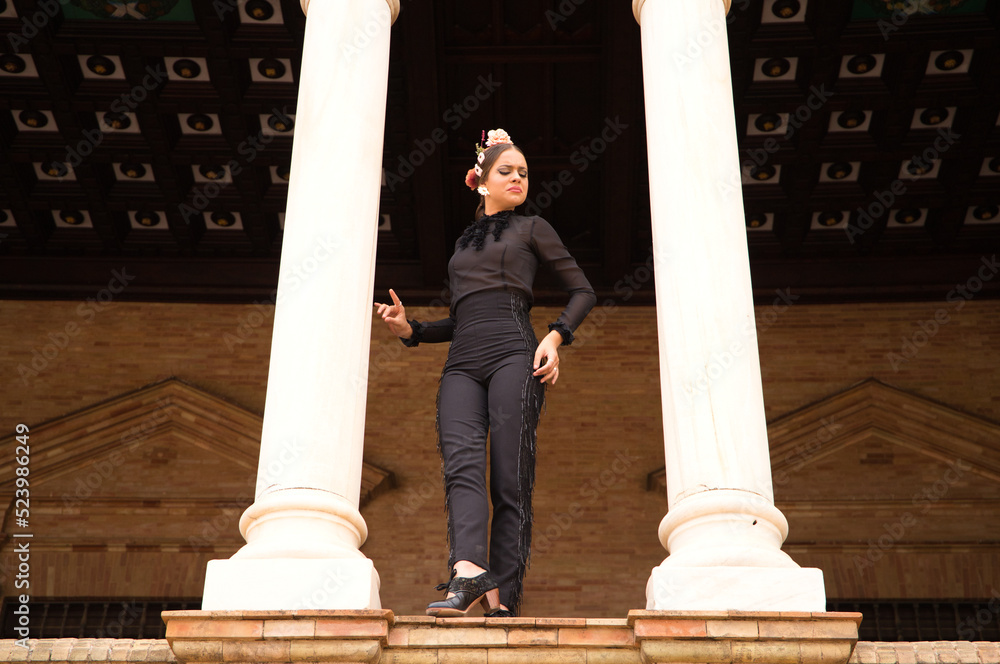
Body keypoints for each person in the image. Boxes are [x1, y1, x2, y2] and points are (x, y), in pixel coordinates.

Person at [374, 128, 596, 617]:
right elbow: (460, 320)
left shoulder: (533, 227)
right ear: (481, 181)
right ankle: (469, 573)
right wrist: (409, 329)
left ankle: (503, 596)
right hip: (462, 364)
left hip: (515, 354)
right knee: (462, 468)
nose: (517, 178)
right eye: (506, 171)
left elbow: (584, 291)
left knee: (508, 477)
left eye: (522, 173)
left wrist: (555, 337)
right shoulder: (462, 244)